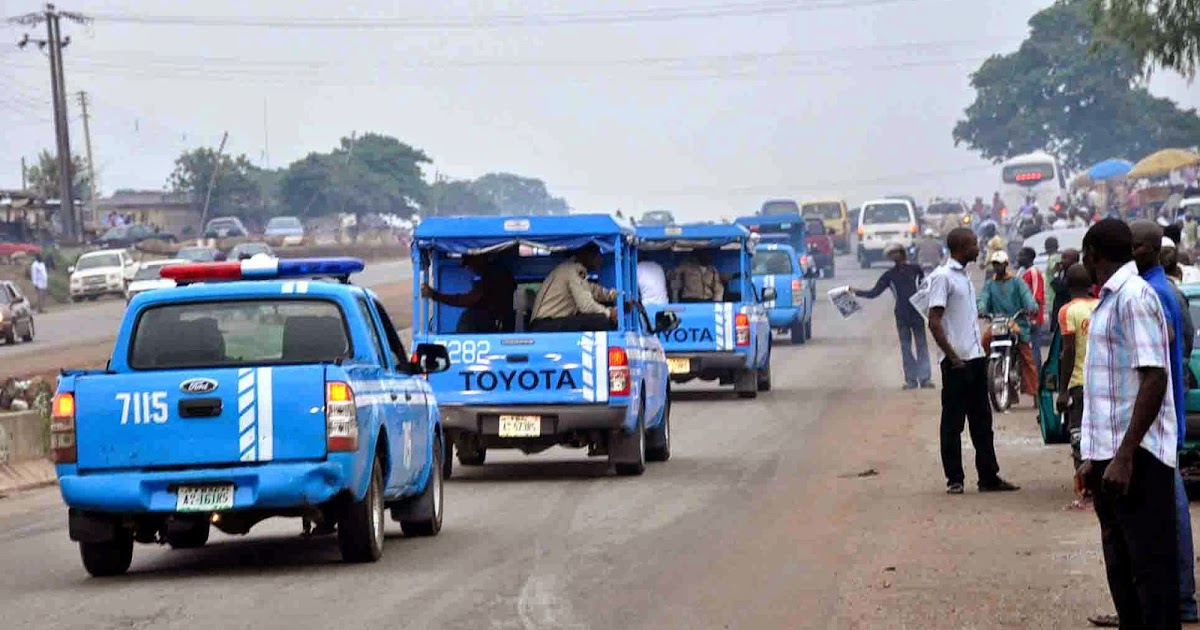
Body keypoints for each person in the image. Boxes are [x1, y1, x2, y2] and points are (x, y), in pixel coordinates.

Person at [1076, 219, 1179, 630]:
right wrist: (1092, 458)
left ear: (1092, 255)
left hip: (1138, 458)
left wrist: (1124, 455)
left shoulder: (1135, 298)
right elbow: (1105, 388)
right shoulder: (1108, 299)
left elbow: (1154, 377)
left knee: (1150, 573)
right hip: (1111, 458)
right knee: (1122, 569)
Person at [1130, 220, 1199, 624]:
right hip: (1165, 409)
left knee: (1166, 512)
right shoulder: (1165, 291)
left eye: (1134, 245)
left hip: (1158, 413)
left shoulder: (1153, 293)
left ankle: (1178, 602)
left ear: (1150, 249)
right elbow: (1182, 344)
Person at [927, 227, 1020, 495]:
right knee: (953, 424)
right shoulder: (943, 278)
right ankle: (955, 478)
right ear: (960, 247)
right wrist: (953, 357)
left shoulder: (965, 277)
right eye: (973, 245)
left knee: (983, 422)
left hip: (976, 358)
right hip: (957, 362)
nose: (978, 248)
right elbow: (934, 322)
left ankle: (989, 477)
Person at [851, 242, 932, 390]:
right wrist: (855, 292)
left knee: (921, 345)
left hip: (917, 313)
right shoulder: (889, 276)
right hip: (902, 314)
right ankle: (911, 380)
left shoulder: (916, 269)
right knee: (906, 347)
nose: (894, 256)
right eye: (891, 254)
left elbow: (925, 288)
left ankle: (925, 379)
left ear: (902, 253)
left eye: (896, 252)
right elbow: (873, 293)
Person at [978, 250, 1040, 400]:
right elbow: (983, 299)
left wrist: (1031, 307)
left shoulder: (1017, 282)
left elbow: (1027, 297)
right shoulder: (990, 285)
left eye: (1000, 264)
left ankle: (1035, 393)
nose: (997, 267)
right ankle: (983, 380)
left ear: (1006, 265)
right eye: (995, 264)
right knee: (983, 345)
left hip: (1016, 323)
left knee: (1027, 357)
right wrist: (982, 309)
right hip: (998, 323)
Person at [1056, 263, 1098, 479]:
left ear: (1067, 284)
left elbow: (1068, 351)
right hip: (1103, 381)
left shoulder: (1067, 311)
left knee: (1079, 435)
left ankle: (1085, 486)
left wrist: (1062, 390)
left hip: (1079, 383)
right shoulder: (1102, 305)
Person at [529, 243, 619, 332]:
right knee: (600, 320)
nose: (600, 259)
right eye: (596, 255)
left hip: (548, 323)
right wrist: (609, 313)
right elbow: (586, 306)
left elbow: (594, 291)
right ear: (585, 255)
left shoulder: (572, 270)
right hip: (544, 325)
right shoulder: (573, 270)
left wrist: (617, 296)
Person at [421, 254, 516, 333]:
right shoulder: (495, 272)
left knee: (470, 317)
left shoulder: (494, 274)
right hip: (500, 324)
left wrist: (435, 295)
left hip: (495, 324)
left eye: (469, 264)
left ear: (478, 259)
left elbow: (467, 300)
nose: (470, 268)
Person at [1017, 247, 1047, 367]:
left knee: (1034, 347)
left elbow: (1036, 295)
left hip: (1032, 317)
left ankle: (1036, 377)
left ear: (1030, 258)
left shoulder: (1034, 273)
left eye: (1021, 255)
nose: (1019, 258)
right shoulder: (1024, 272)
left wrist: (1031, 315)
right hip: (1024, 316)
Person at [1049, 249, 1082, 333]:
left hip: (1069, 315)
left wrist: (1056, 274)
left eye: (1064, 258)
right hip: (1060, 313)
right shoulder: (1063, 273)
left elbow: (1059, 287)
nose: (1061, 261)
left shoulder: (1075, 274)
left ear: (1074, 260)